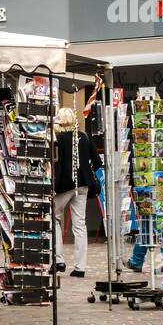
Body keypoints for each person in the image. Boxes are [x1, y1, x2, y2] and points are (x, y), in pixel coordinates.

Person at [53, 107, 102, 278]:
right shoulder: (84, 136)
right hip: (83, 184)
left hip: (64, 185)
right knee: (80, 225)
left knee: (54, 218)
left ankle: (58, 259)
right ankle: (80, 267)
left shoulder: (57, 139)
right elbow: (96, 162)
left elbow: (56, 165)